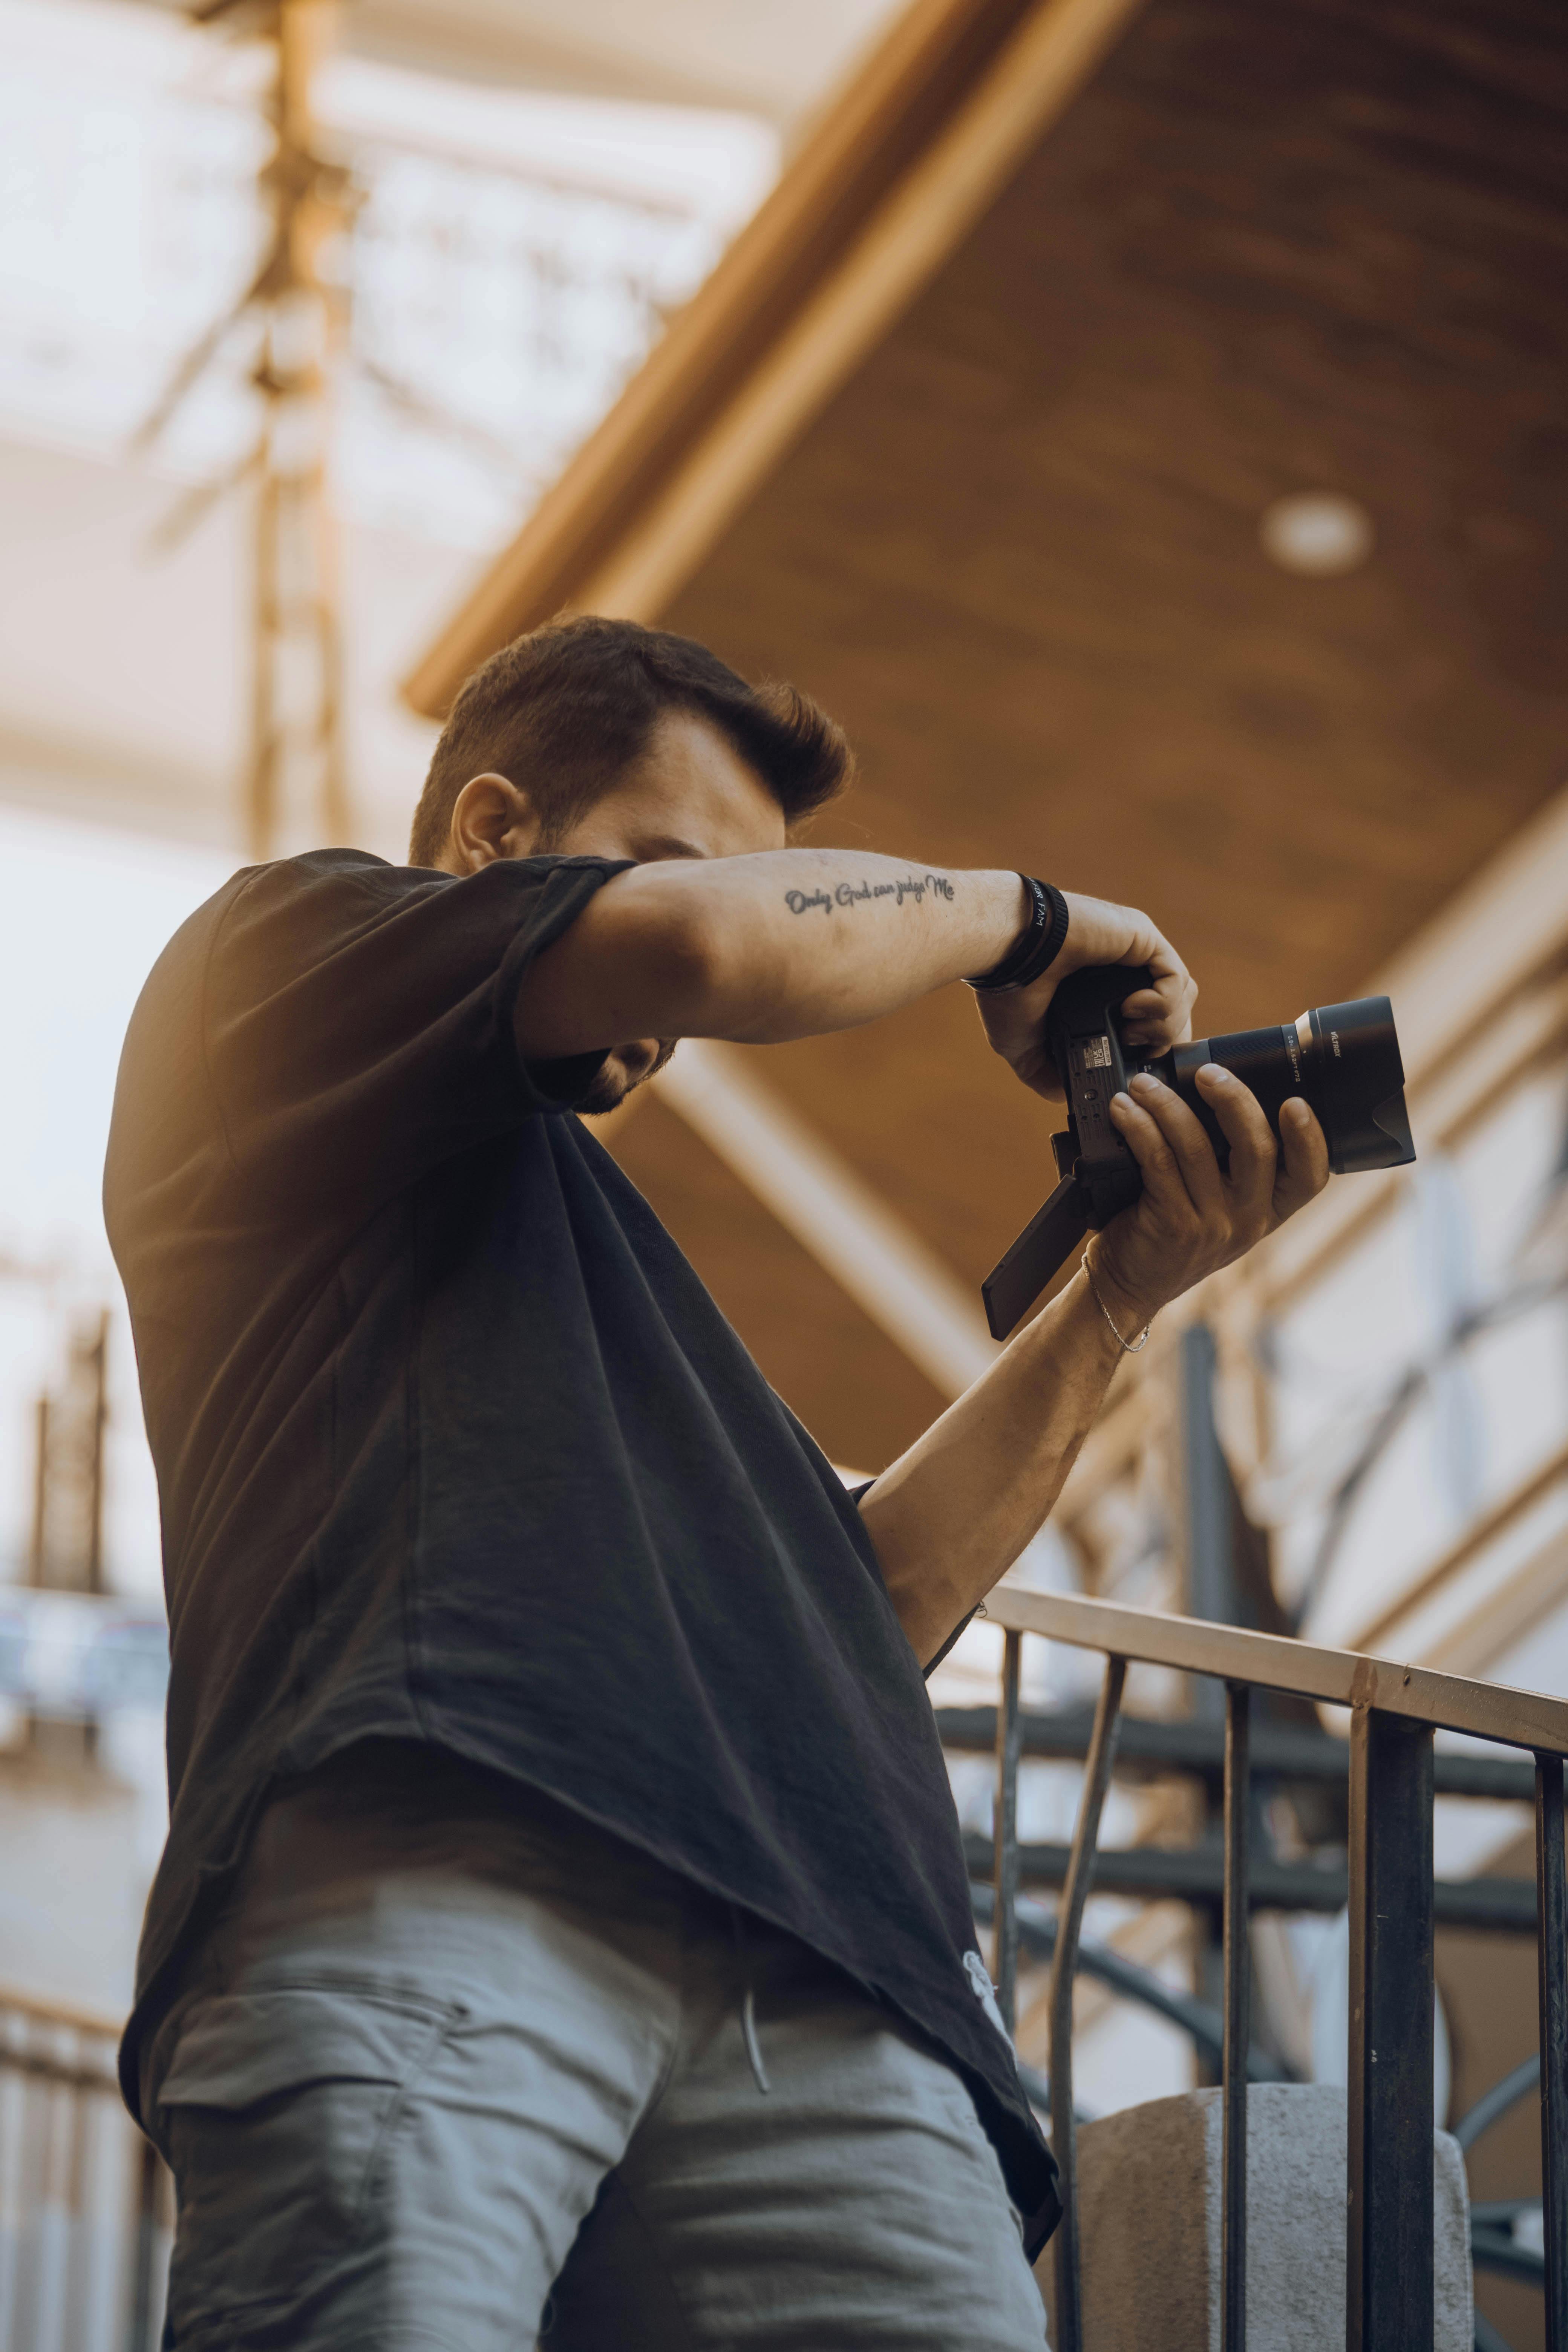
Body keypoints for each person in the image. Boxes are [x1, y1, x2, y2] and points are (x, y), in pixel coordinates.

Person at [105, 616, 1329, 2351]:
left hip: (834, 1969)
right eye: (674, 855)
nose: (749, 917)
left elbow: (872, 1614)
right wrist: (1026, 917)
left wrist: (1114, 1299)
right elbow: (694, 952)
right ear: (491, 838)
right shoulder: (287, 958)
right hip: (441, 1851)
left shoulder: (641, 1313)